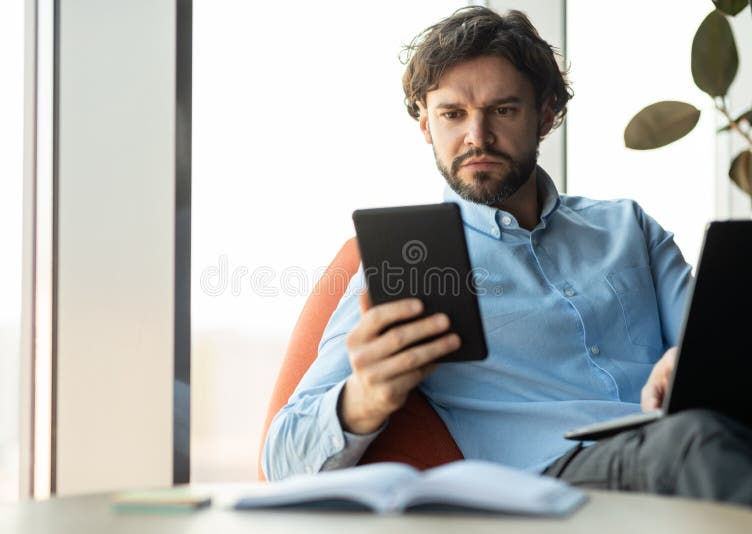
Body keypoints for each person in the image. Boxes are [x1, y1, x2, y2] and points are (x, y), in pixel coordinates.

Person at [261, 6, 752, 504]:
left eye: (503, 110)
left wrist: (683, 363)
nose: (477, 136)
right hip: (560, 480)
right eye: (452, 114)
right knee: (692, 441)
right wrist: (364, 399)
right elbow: (281, 460)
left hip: (688, 444)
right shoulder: (410, 262)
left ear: (545, 114)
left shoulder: (628, 227)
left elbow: (715, 352)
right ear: (425, 124)